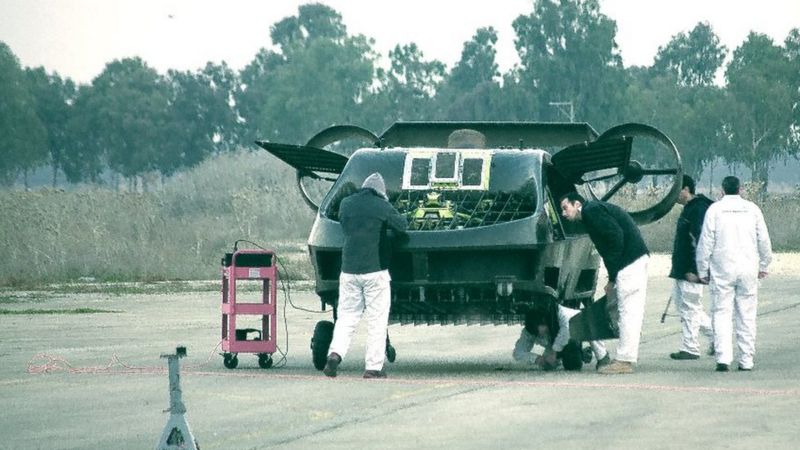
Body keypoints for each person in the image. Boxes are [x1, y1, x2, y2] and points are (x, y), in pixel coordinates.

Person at [323, 173, 408, 379]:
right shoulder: (382, 206)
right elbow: (402, 227)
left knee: (347, 318)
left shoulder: (346, 203)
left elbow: (344, 226)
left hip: (349, 270)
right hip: (375, 271)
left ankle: (334, 355)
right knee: (376, 320)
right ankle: (373, 367)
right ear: (381, 192)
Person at [559, 192, 649, 374]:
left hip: (629, 262)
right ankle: (627, 354)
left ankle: (624, 361)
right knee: (627, 310)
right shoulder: (593, 212)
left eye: (565, 208)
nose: (563, 213)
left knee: (628, 311)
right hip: (634, 259)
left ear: (577, 204)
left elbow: (614, 238)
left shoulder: (592, 211)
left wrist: (613, 278)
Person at [696, 176, 772, 372]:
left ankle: (723, 358)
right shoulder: (753, 209)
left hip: (722, 269)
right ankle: (746, 359)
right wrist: (764, 265)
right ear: (741, 189)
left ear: (722, 190)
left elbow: (705, 243)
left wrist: (702, 270)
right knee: (746, 314)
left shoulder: (714, 210)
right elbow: (763, 239)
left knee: (721, 312)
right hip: (748, 268)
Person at [668, 175, 715, 360]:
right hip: (682, 269)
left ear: (686, 189)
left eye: (676, 191)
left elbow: (700, 242)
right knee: (684, 306)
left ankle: (690, 347)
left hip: (690, 270)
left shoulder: (698, 210)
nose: (674, 196)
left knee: (690, 306)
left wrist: (694, 270)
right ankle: (716, 338)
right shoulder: (690, 209)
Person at [513, 303, 610, 371]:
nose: (538, 335)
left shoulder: (564, 315)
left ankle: (603, 357)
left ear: (543, 321)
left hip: (574, 336)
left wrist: (554, 352)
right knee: (549, 367)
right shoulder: (529, 330)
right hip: (554, 345)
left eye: (539, 330)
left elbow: (566, 331)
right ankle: (583, 353)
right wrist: (538, 359)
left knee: (574, 364)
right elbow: (518, 353)